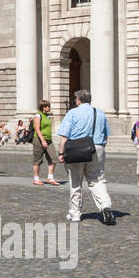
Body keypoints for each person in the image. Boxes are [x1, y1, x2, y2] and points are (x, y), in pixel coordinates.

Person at [57, 89, 113, 225]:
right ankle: (105, 206)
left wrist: (60, 153)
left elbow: (64, 136)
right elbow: (106, 135)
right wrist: (100, 147)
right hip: (96, 148)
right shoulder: (99, 113)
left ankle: (75, 213)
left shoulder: (72, 113)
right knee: (97, 180)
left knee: (75, 182)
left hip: (76, 149)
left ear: (78, 100)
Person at [31, 100, 59, 185]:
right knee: (38, 159)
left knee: (53, 158)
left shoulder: (46, 116)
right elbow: (37, 129)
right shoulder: (38, 115)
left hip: (48, 140)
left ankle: (50, 178)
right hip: (39, 140)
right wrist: (42, 140)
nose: (49, 108)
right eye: (48, 106)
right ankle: (36, 178)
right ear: (44, 107)